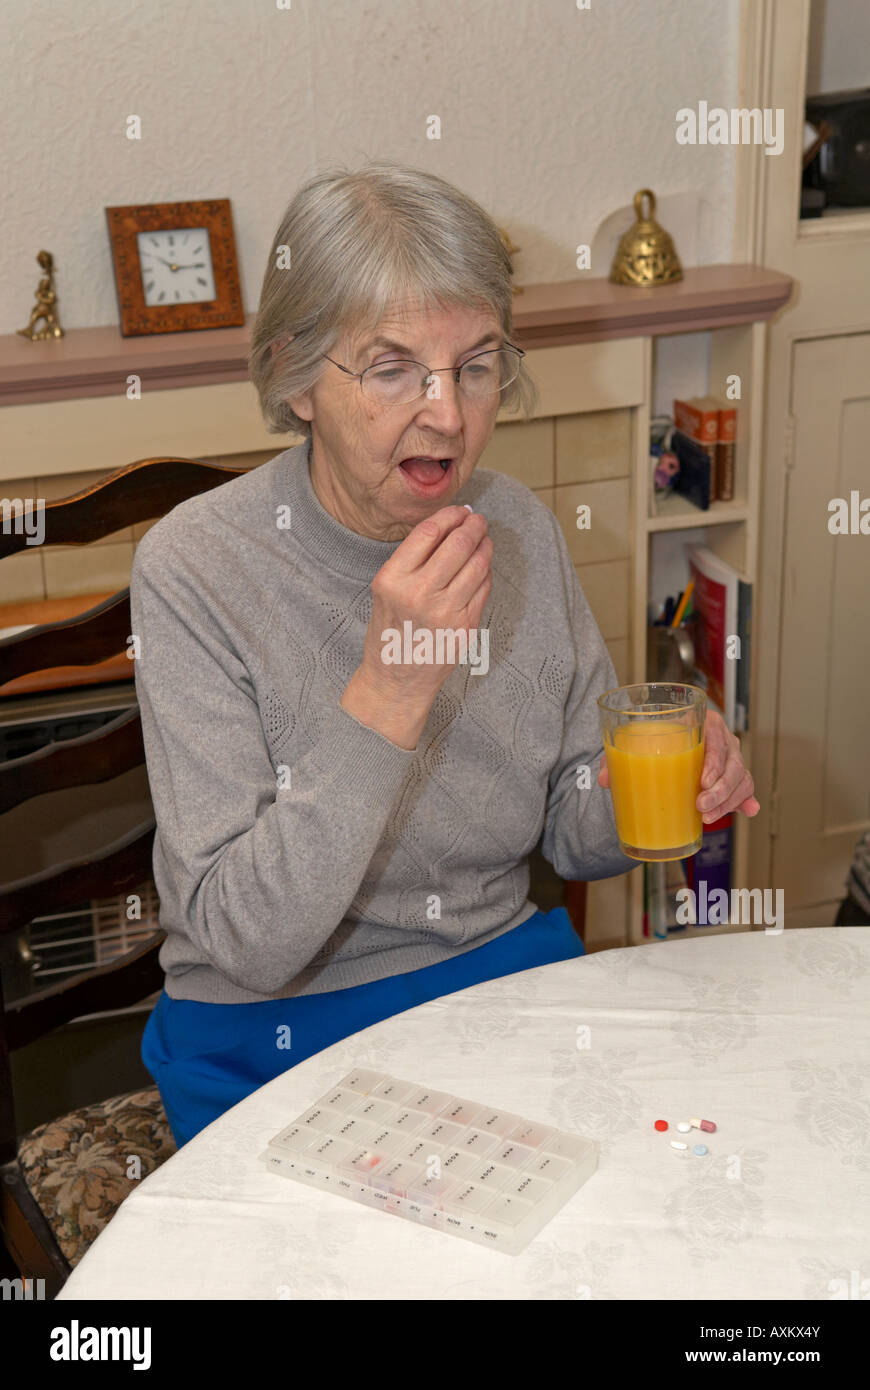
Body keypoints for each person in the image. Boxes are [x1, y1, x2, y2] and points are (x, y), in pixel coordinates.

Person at [131, 161, 759, 1148]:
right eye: (392, 369)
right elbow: (246, 943)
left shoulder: (517, 528)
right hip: (271, 1028)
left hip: (492, 983)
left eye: (475, 364)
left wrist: (675, 783)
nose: (449, 414)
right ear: (296, 377)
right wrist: (389, 688)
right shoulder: (196, 568)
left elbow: (572, 823)